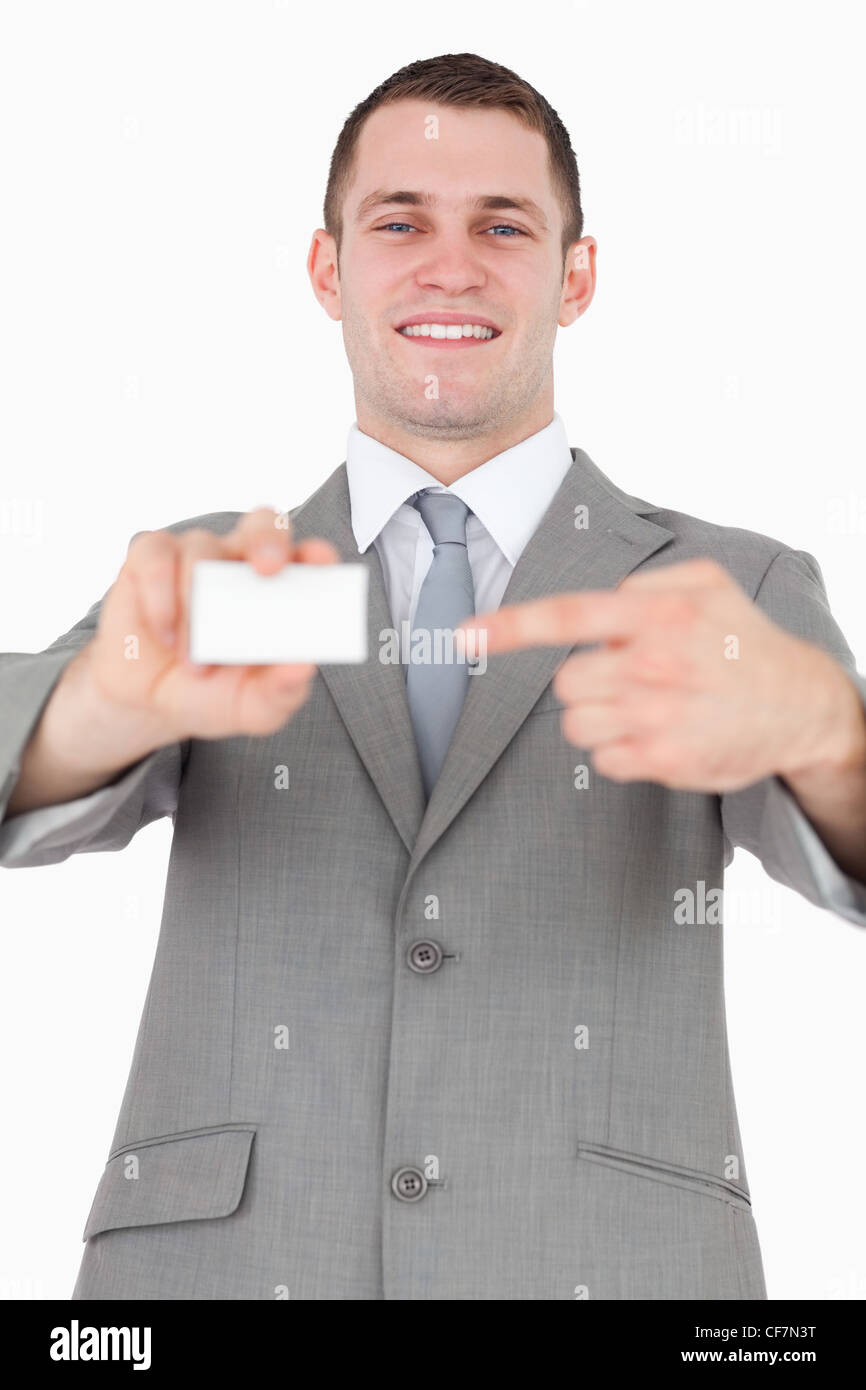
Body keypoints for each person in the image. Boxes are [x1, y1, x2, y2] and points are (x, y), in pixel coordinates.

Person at [2, 51, 865, 1301]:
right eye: (398, 221)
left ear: (575, 277)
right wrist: (90, 713)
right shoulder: (225, 580)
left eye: (501, 226)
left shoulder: (720, 590)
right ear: (326, 268)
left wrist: (830, 738)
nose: (447, 264)